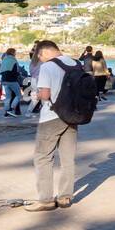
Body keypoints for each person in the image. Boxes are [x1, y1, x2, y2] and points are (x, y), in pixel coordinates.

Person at [26, 41, 80, 213]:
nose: (40, 60)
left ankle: (46, 200)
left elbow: (46, 95)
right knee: (67, 158)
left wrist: (35, 94)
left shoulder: (48, 67)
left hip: (51, 117)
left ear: (45, 52)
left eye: (39, 56)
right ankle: (65, 197)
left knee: (43, 157)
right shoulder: (75, 63)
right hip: (72, 115)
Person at [0, 47, 23, 117]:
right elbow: (17, 71)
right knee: (18, 95)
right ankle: (11, 109)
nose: (15, 54)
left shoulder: (4, 60)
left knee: (8, 97)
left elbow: (1, 71)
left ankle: (6, 111)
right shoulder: (13, 60)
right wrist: (19, 74)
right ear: (13, 53)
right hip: (12, 80)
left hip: (4, 80)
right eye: (15, 52)